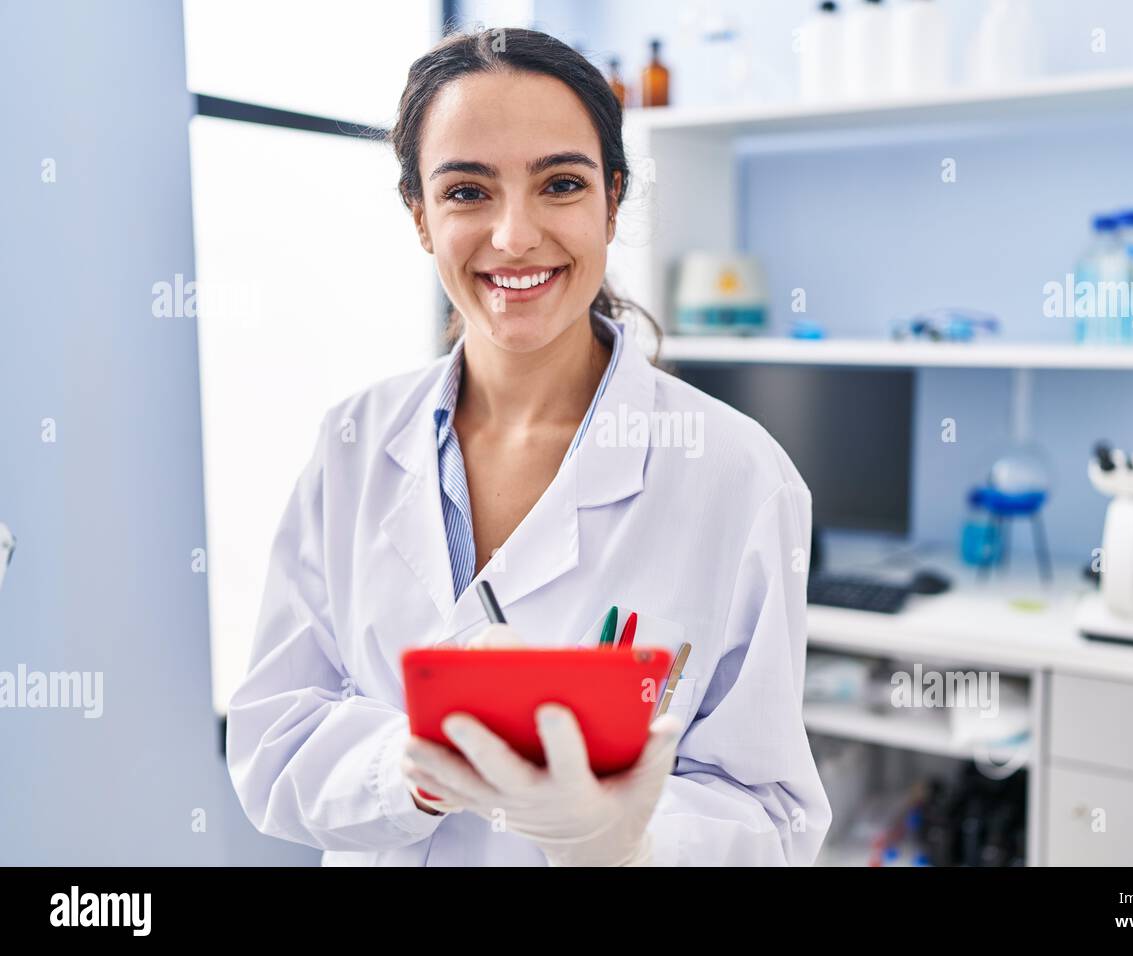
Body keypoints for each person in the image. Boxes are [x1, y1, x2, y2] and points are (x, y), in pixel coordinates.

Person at [226, 27, 831, 866]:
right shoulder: (352, 446)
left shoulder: (738, 476)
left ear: (613, 202)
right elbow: (273, 743)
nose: (515, 235)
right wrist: (414, 771)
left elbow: (774, 817)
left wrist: (627, 839)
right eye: (468, 191)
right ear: (421, 218)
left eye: (561, 184)